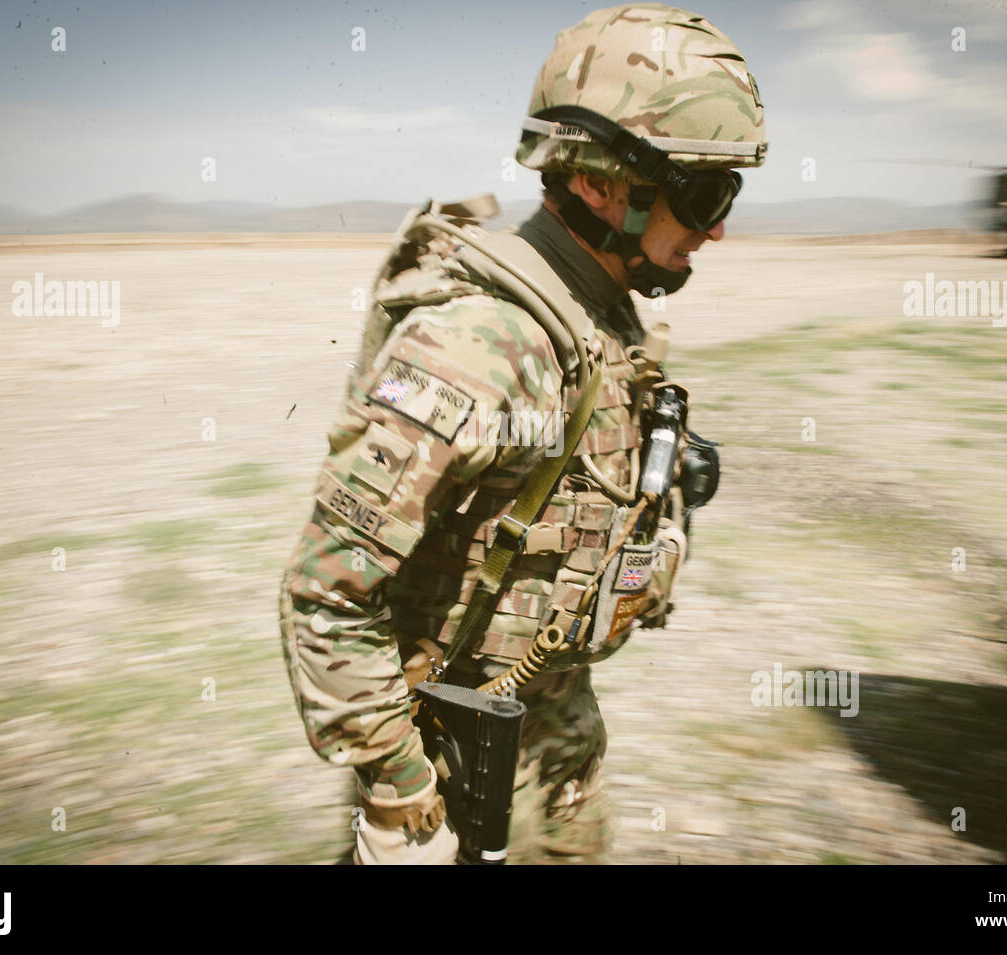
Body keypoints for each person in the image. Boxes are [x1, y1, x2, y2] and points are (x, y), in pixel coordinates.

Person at [278, 2, 767, 865]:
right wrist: (400, 797)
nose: (718, 226)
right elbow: (326, 591)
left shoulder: (596, 313)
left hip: (553, 740)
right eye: (703, 193)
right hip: (454, 766)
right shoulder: (480, 342)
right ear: (598, 182)